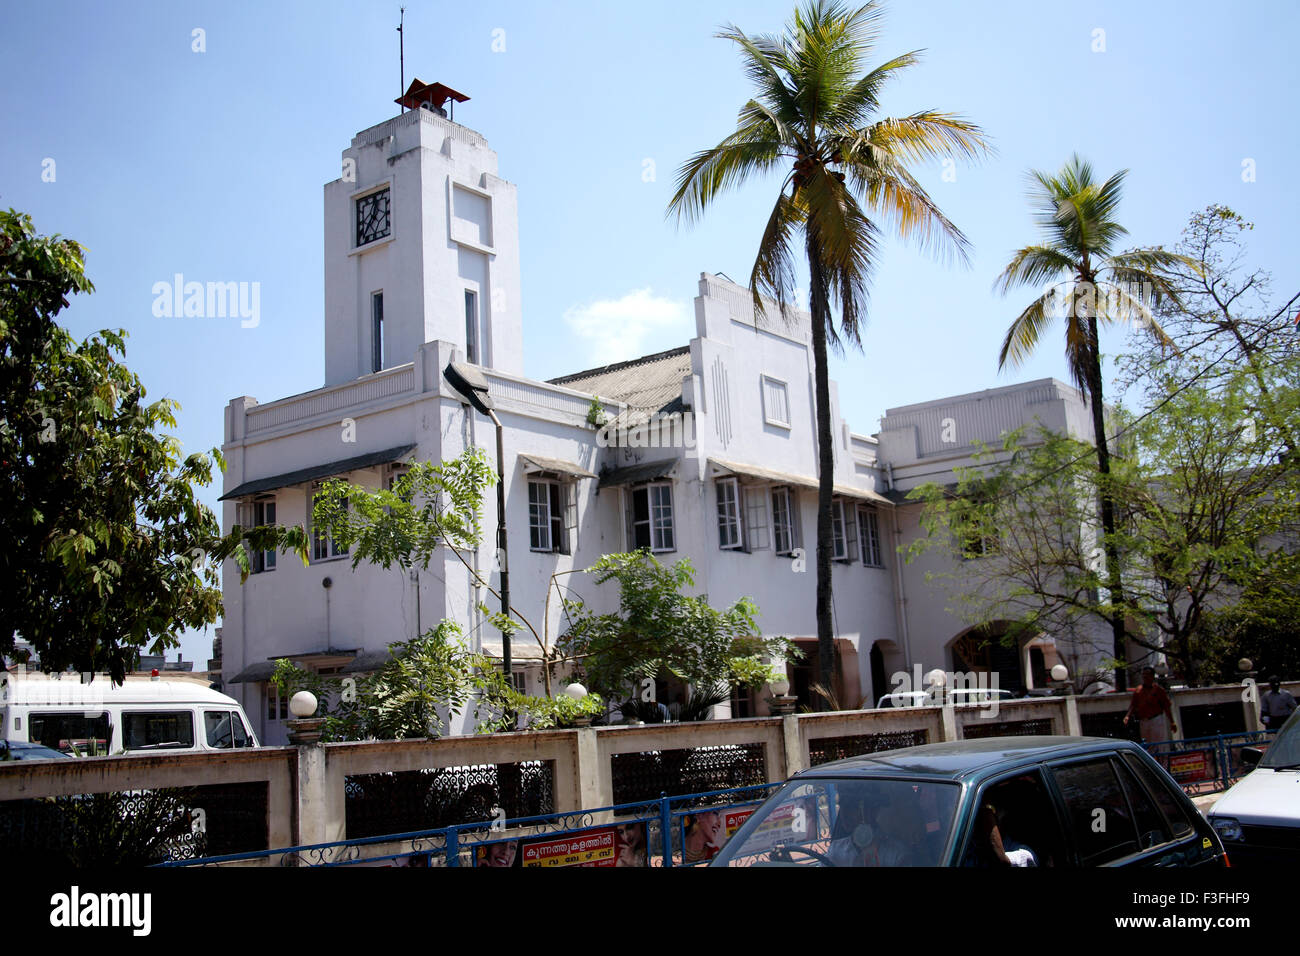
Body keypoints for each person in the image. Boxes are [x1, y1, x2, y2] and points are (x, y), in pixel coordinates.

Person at [1123, 667, 1177, 743]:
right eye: (1143, 674)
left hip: (1156, 720)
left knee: (1158, 743)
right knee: (1147, 744)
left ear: (1152, 676)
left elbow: (1166, 706)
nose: (1145, 676)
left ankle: (1161, 755)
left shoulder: (1158, 690)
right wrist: (1127, 716)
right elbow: (1133, 705)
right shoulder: (1138, 690)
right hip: (1143, 721)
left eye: (1147, 674)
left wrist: (1172, 722)